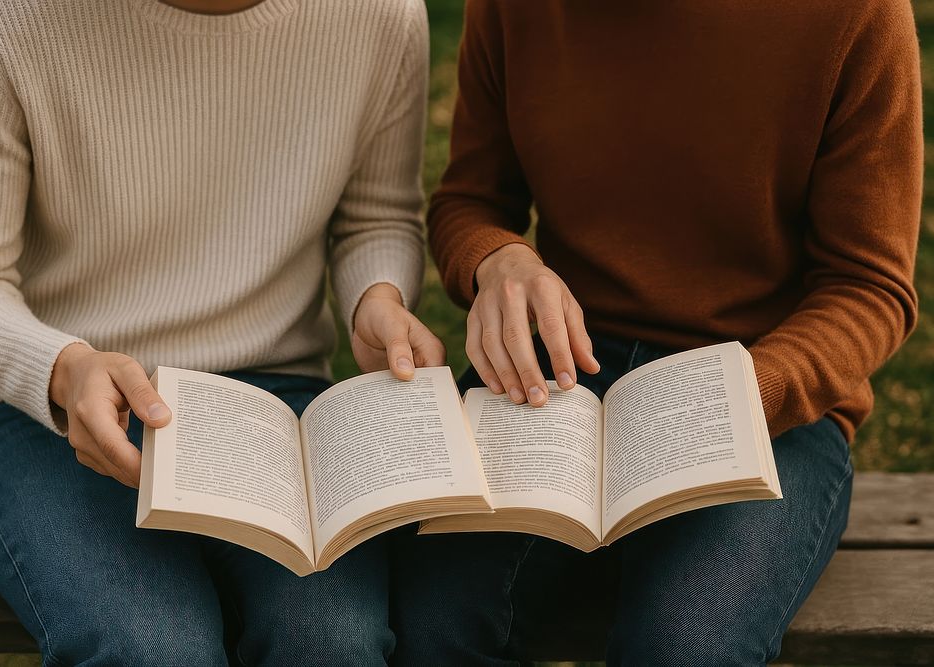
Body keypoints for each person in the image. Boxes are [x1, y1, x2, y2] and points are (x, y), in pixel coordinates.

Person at [392, 0, 921, 664]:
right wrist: (499, 260)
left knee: (683, 644)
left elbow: (871, 288)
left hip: (764, 398)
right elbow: (469, 200)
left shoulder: (856, 14)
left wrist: (743, 397)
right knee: (430, 617)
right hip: (563, 376)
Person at [0, 0, 442, 664]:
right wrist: (63, 367)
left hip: (272, 401)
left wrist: (376, 296)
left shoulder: (380, 15)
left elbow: (376, 216)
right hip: (57, 410)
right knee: (151, 647)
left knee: (330, 642)